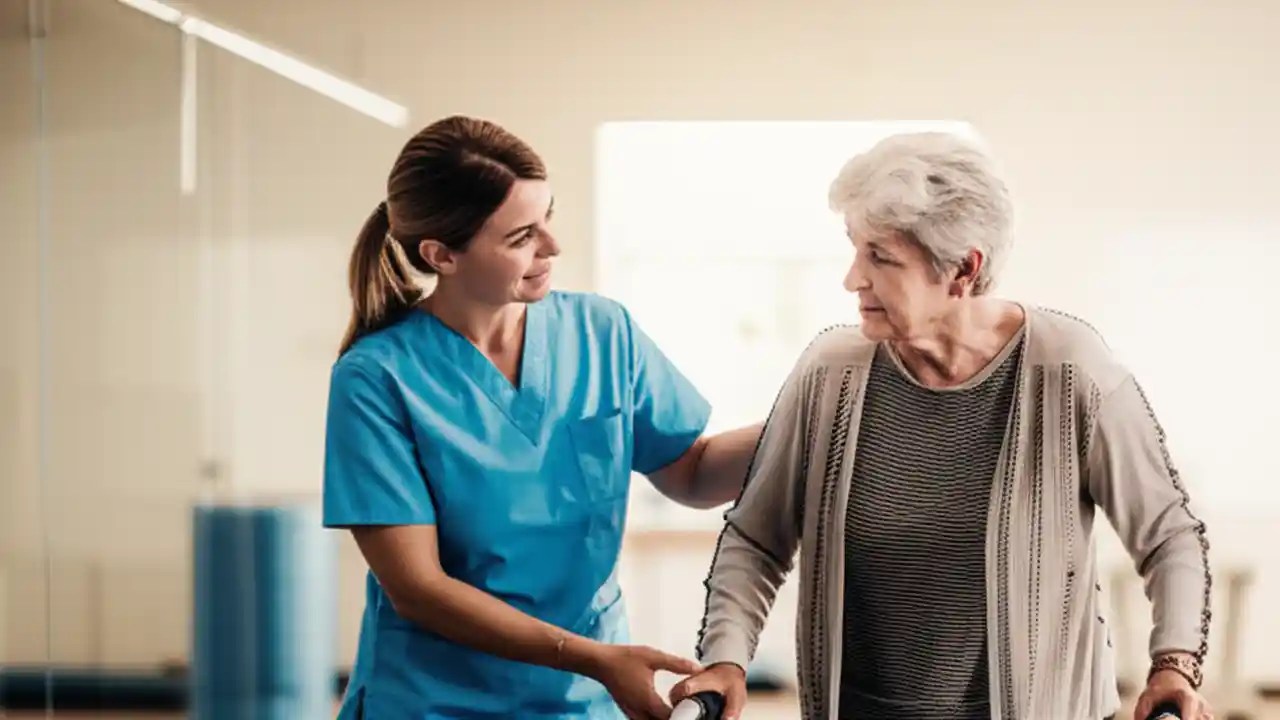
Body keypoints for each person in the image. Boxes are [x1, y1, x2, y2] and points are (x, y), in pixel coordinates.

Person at [670, 132, 1215, 720]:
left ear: (962, 269)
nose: (853, 278)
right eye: (855, 249)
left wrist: (1173, 663)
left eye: (881, 257)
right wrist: (725, 655)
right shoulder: (830, 374)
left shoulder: (1069, 370)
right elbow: (756, 538)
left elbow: (1169, 535)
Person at [322, 115, 761, 719]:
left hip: (581, 702)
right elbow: (417, 589)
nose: (552, 245)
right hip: (436, 702)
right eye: (521, 235)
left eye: (548, 217)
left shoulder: (603, 333)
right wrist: (593, 658)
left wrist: (814, 423)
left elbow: (691, 473)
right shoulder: (377, 378)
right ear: (441, 254)